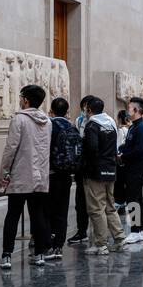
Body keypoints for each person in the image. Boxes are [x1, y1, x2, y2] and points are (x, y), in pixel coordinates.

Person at [0, 85, 52, 269]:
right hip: (40, 177)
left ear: (26, 100)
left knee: (13, 215)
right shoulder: (48, 122)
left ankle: (6, 255)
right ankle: (39, 254)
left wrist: (4, 173)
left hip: (21, 175)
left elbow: (10, 149)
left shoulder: (19, 120)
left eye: (21, 97)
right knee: (38, 215)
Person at [81, 95, 125, 255]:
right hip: (111, 170)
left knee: (96, 208)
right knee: (110, 206)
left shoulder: (92, 125)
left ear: (89, 109)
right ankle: (119, 239)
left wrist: (86, 167)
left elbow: (91, 149)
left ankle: (101, 244)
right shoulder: (111, 123)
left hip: (96, 172)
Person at [46, 97, 82, 259]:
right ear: (67, 112)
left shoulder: (49, 126)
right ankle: (58, 246)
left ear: (51, 111)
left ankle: (48, 243)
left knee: (47, 211)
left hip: (51, 175)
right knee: (61, 211)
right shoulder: (72, 127)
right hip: (67, 175)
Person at [115, 96, 143, 244]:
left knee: (132, 199)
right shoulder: (134, 126)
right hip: (132, 167)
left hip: (137, 167)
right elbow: (129, 145)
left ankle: (135, 231)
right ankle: (140, 230)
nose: (127, 110)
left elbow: (139, 150)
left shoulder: (141, 127)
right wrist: (122, 150)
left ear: (136, 110)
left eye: (129, 108)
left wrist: (123, 156)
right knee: (137, 198)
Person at [65, 95, 92, 245]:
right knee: (80, 202)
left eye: (87, 107)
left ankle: (103, 233)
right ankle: (82, 231)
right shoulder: (79, 121)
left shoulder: (100, 123)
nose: (85, 110)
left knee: (97, 203)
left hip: (93, 169)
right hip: (81, 168)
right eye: (83, 107)